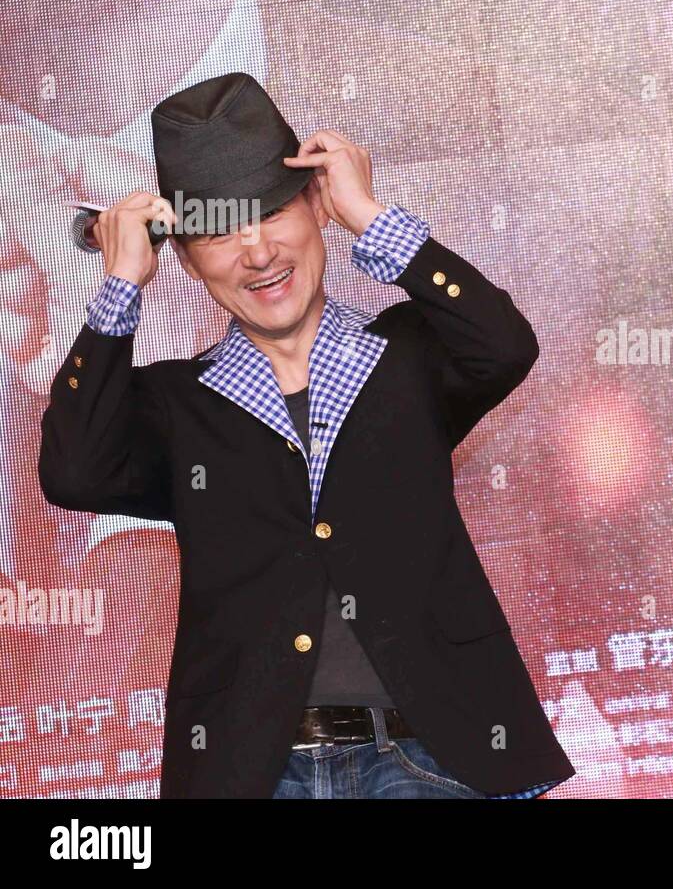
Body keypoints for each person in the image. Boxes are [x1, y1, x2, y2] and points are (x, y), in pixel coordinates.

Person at [38, 71, 575, 798]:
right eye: (221, 232)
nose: (257, 253)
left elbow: (505, 345)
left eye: (274, 213)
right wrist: (122, 283)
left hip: (433, 761)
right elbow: (75, 472)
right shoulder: (176, 404)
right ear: (188, 261)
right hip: (255, 773)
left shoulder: (407, 356)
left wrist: (368, 214)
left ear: (315, 208)